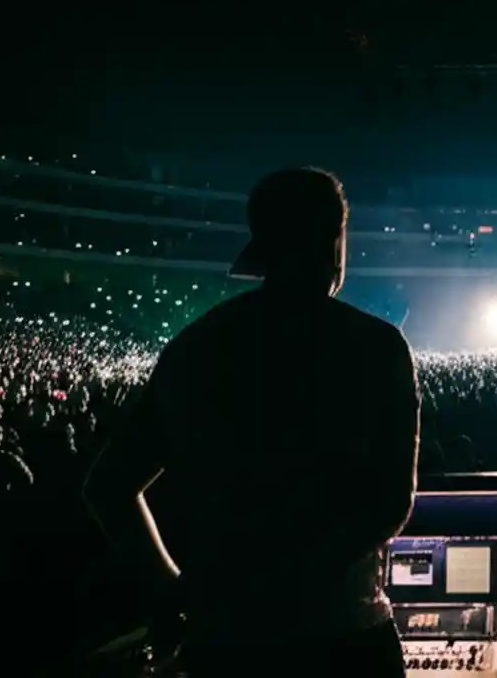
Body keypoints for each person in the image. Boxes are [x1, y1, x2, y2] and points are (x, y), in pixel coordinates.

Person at [83, 167, 420, 676]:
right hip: (343, 634)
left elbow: (108, 485)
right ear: (337, 242)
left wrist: (171, 587)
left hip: (227, 639)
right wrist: (297, 575)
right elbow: (392, 502)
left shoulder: (198, 346)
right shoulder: (375, 348)